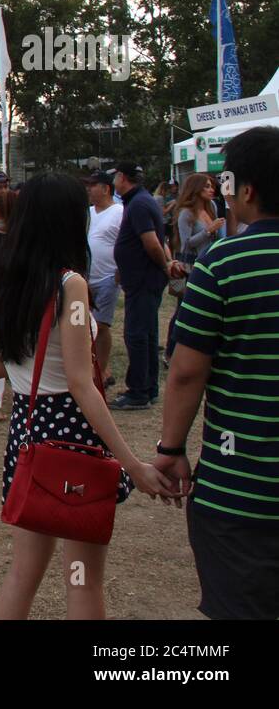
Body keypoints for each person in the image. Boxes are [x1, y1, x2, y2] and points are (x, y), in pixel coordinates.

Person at [0, 172, 171, 619]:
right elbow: (79, 383)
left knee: (23, 573)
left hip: (28, 429)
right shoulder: (69, 284)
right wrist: (134, 464)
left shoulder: (3, 278)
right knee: (82, 577)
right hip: (71, 432)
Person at [156, 126, 279, 619]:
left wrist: (171, 449)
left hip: (241, 489)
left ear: (246, 190)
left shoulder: (223, 264)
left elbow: (187, 373)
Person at [112, 162, 180, 410]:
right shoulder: (142, 200)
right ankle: (148, 388)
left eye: (115, 178)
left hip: (143, 279)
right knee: (147, 334)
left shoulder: (139, 204)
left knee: (137, 335)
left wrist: (164, 267)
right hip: (142, 278)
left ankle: (138, 391)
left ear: (121, 177)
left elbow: (152, 243)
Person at [166, 173, 225, 364]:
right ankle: (171, 351)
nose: (212, 189)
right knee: (183, 310)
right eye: (207, 186)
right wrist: (209, 230)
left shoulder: (213, 207)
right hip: (191, 267)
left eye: (212, 186)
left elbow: (220, 237)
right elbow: (186, 244)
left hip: (211, 264)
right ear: (197, 189)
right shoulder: (186, 213)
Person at [85, 171, 123, 391]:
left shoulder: (119, 212)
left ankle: (102, 368)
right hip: (87, 278)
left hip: (109, 276)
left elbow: (124, 241)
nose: (89, 189)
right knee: (86, 326)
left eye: (92, 185)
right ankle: (93, 366)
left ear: (106, 188)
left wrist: (120, 270)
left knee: (101, 324)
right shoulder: (88, 213)